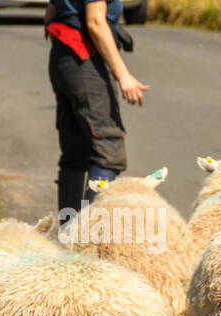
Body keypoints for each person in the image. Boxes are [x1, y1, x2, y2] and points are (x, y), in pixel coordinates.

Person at [44, 0, 149, 220]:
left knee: (75, 151)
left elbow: (51, 13)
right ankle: (91, 237)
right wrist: (123, 75)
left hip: (63, 56)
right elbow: (95, 22)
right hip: (85, 58)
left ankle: (69, 233)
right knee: (107, 150)